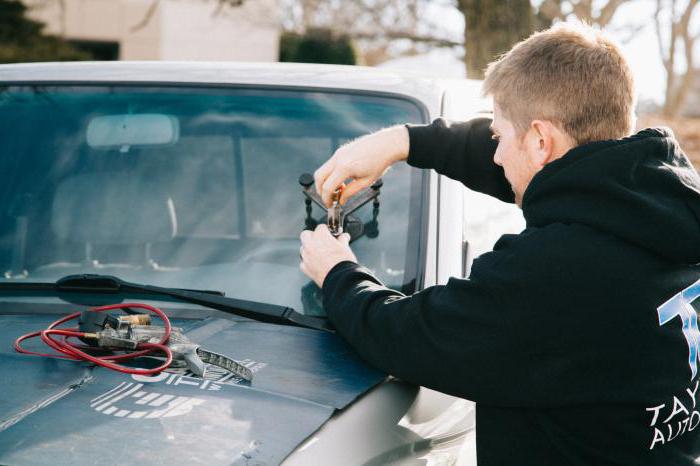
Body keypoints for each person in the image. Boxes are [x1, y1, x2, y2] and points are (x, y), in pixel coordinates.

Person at [299, 22, 700, 465]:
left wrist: (337, 271)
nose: (494, 154)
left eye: (501, 137)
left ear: (541, 140)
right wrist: (403, 142)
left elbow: (407, 334)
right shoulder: (664, 203)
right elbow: (541, 172)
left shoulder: (554, 274)